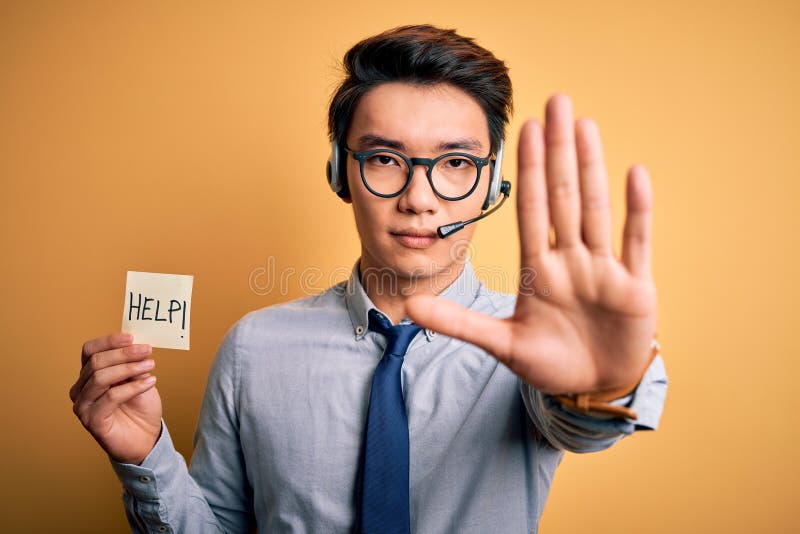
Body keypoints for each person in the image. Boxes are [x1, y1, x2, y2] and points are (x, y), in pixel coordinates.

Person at [70, 24, 667, 533]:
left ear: (490, 181)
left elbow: (581, 424)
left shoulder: (533, 343)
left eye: (456, 163)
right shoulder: (253, 349)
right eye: (385, 158)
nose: (419, 198)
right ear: (340, 171)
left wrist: (602, 385)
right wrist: (144, 457)